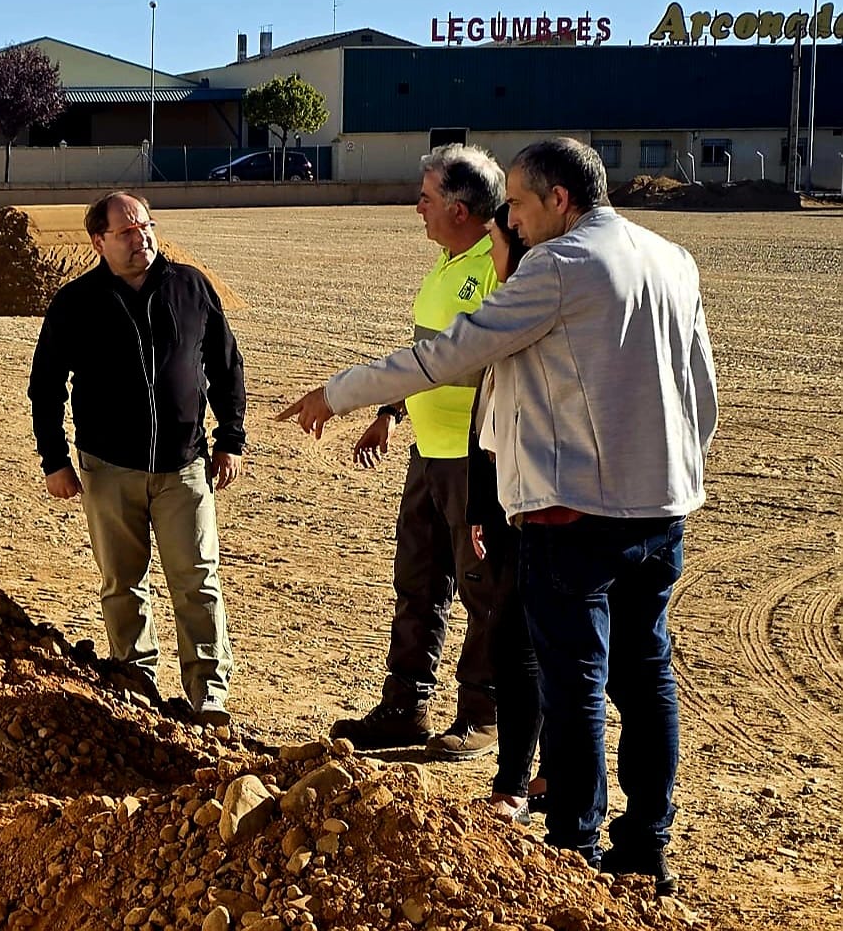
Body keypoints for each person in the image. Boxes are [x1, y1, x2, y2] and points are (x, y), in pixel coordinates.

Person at [277, 137, 716, 896]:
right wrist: (671, 475)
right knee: (646, 677)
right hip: (661, 508)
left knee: (574, 678)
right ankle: (647, 845)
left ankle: (571, 847)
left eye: (513, 204)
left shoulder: (560, 266)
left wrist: (338, 392)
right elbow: (699, 388)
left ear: (559, 201)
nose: (502, 220)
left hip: (573, 515)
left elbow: (449, 355)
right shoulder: (671, 256)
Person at [29, 190, 248, 726]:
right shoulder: (76, 303)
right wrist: (53, 459)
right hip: (109, 470)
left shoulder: (191, 287)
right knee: (122, 582)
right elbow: (46, 386)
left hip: (184, 468)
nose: (141, 237)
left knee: (196, 581)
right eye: (126, 231)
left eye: (145, 226)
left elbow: (226, 366)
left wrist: (231, 439)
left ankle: (209, 693)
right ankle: (136, 678)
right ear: (98, 241)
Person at [330, 144, 509, 761]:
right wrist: (388, 412)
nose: (417, 208)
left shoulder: (497, 265)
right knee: (418, 584)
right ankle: (404, 707)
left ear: (460, 208)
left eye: (427, 197)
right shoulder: (444, 263)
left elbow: (481, 359)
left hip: (475, 459)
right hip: (427, 453)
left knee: (484, 588)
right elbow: (431, 354)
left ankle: (485, 715)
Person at [473, 202, 543, 822]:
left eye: (495, 241)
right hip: (502, 504)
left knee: (522, 644)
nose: (489, 254)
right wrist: (479, 507)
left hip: (542, 507)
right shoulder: (505, 311)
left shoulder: (531, 311)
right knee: (514, 640)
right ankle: (535, 773)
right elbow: (484, 423)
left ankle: (518, 782)